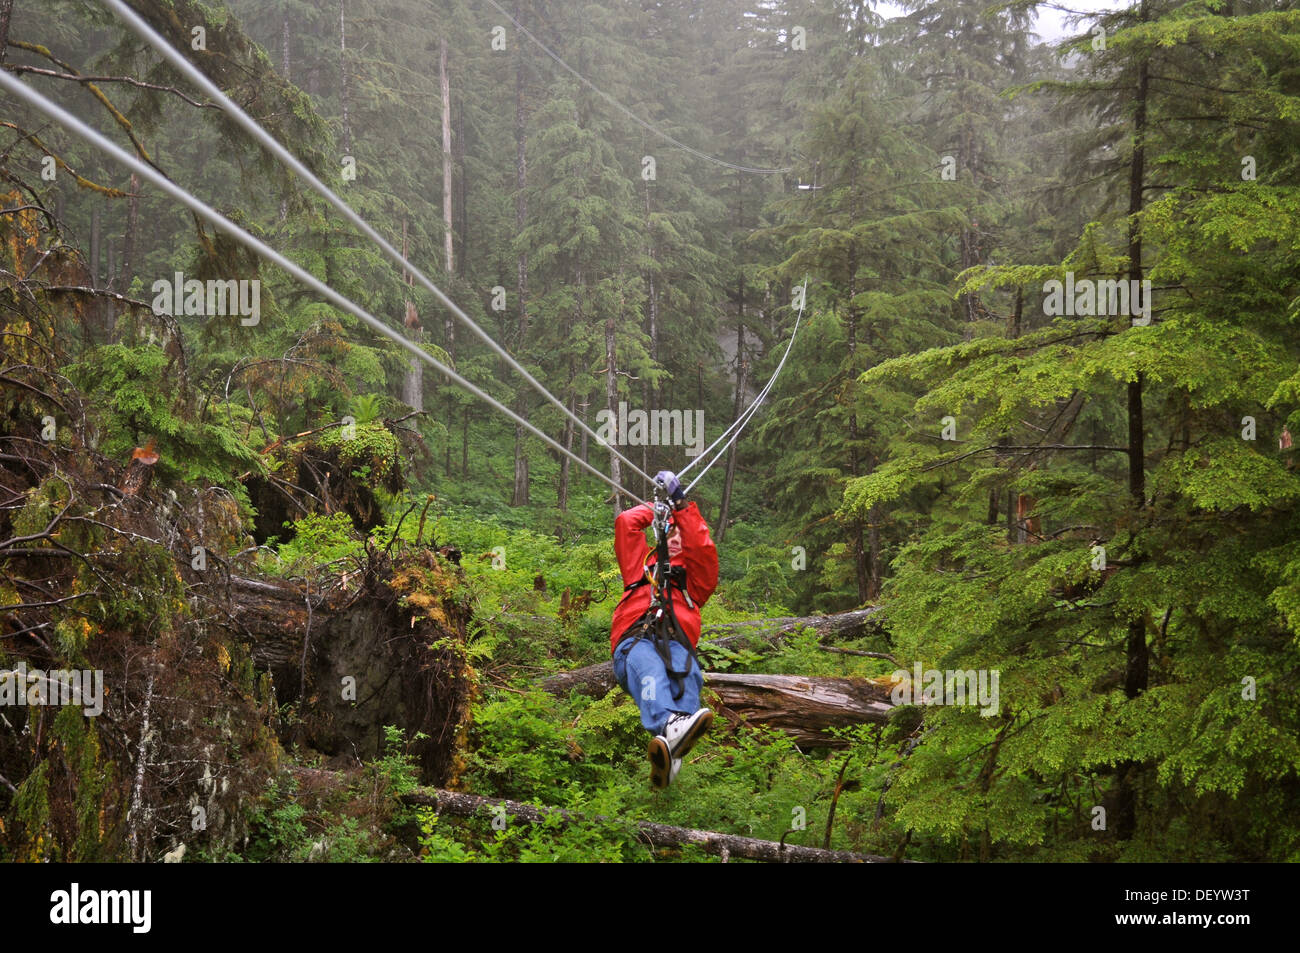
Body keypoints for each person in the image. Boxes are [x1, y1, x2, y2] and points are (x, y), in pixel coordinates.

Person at [610, 469, 719, 789]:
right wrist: (655, 509)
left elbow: (703, 548)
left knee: (690, 678)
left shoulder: (695, 585)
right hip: (636, 642)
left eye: (677, 536)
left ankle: (673, 748)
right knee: (651, 671)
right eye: (668, 535)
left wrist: (681, 504)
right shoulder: (638, 570)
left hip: (676, 645)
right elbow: (626, 523)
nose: (672, 540)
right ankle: (668, 727)